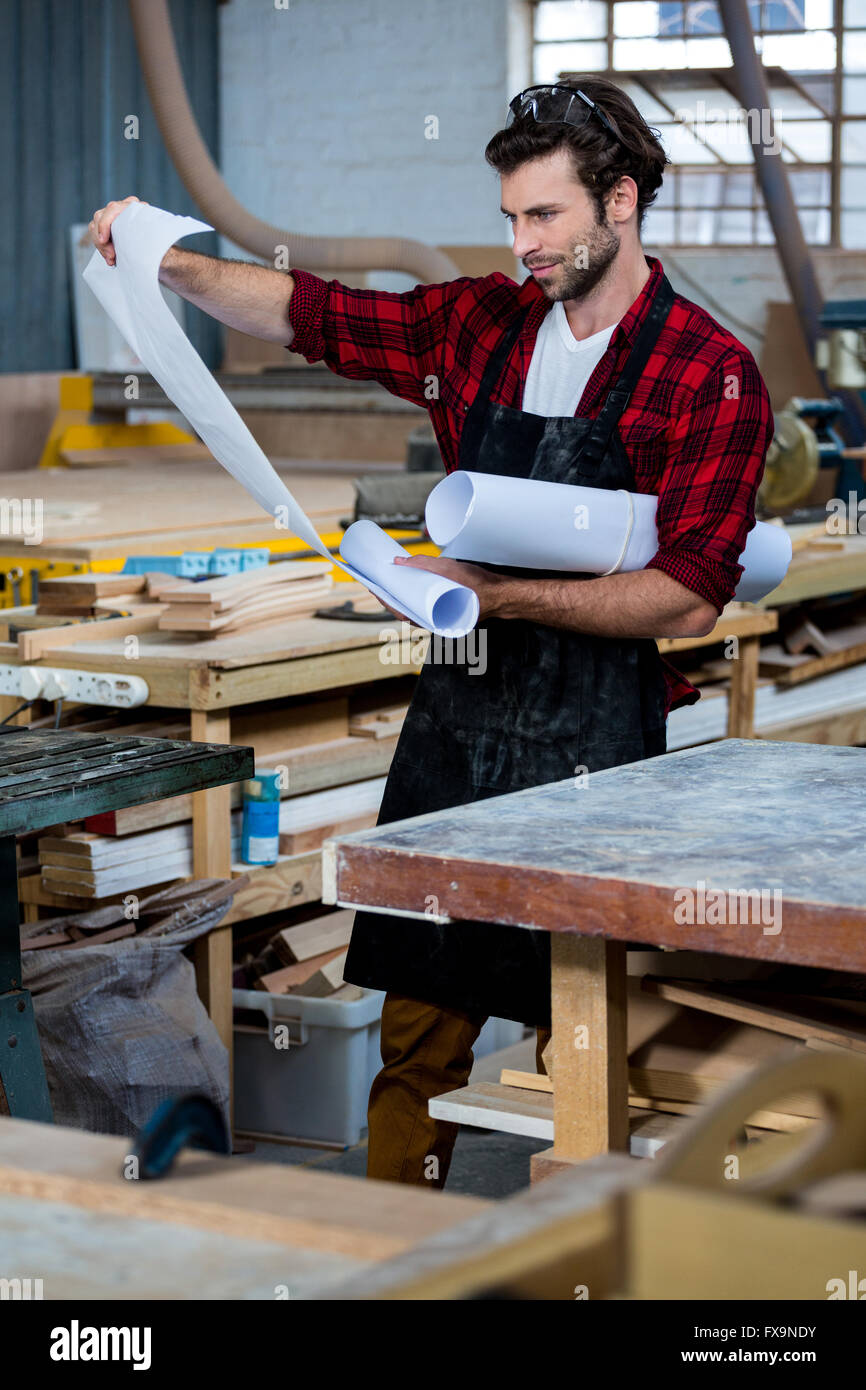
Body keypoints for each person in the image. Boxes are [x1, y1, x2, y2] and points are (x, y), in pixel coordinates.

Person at [90, 75, 773, 1191]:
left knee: (582, 1039)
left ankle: (583, 1247)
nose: (521, 245)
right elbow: (311, 312)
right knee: (415, 1031)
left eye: (543, 216)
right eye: (508, 218)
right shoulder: (480, 326)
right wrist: (161, 261)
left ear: (622, 201)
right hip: (458, 732)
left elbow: (690, 592)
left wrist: (492, 594)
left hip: (596, 757)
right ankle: (392, 1249)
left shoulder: (707, 371)